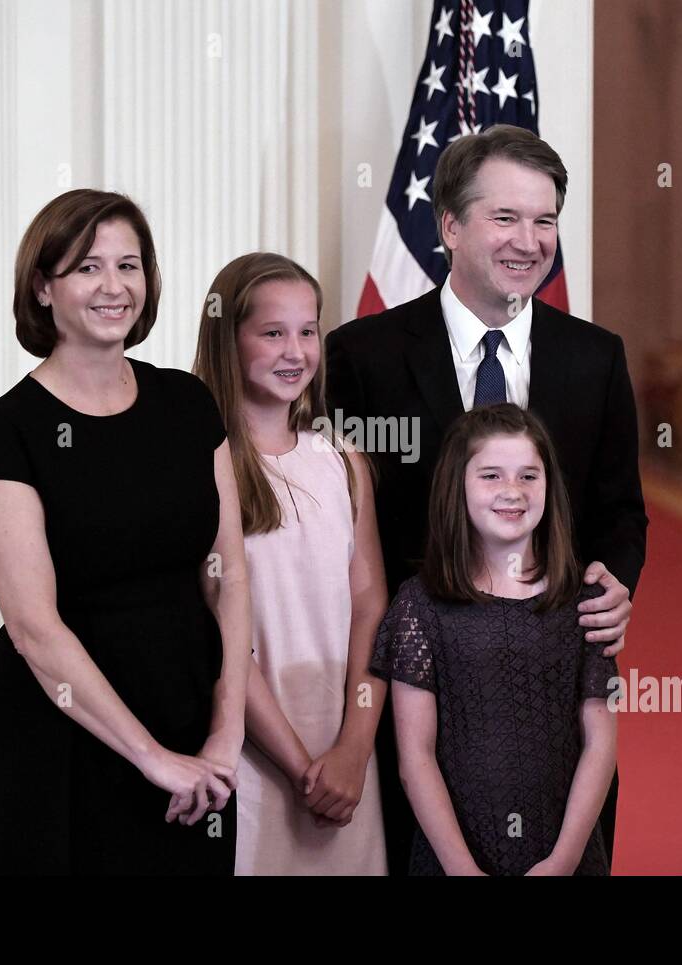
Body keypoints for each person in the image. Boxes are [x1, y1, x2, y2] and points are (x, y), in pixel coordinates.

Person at [326, 124, 646, 870]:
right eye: (505, 217)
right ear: (449, 225)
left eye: (545, 220)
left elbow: (620, 510)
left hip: (550, 696)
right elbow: (336, 531)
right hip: (418, 701)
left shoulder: (596, 358)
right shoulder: (362, 357)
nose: (529, 241)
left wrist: (616, 580)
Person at [0, 189, 249, 874]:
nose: (114, 286)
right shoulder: (7, 432)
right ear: (42, 287)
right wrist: (152, 758)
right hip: (61, 750)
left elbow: (227, 571)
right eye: (87, 267)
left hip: (192, 739)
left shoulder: (187, 404)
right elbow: (33, 628)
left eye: (129, 265)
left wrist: (225, 734)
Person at [194, 252, 388, 875]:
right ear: (230, 340)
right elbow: (218, 630)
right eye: (272, 332)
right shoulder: (203, 465)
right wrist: (304, 769)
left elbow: (370, 606)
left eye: (308, 331)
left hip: (344, 751)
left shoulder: (341, 461)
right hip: (257, 753)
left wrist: (354, 748)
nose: (295, 350)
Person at [370, 403, 618, 875]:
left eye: (529, 476)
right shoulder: (420, 606)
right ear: (456, 487)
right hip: (455, 854)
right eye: (491, 476)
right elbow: (415, 758)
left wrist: (563, 861)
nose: (512, 491)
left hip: (564, 854)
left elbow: (600, 745)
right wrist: (462, 869)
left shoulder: (584, 601)